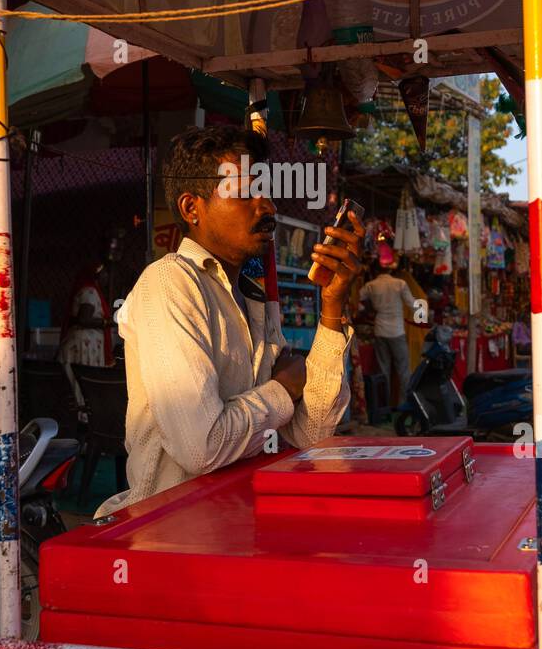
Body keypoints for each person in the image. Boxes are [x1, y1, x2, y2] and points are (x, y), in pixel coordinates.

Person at [94, 125, 362, 516]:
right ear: (191, 208)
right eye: (244, 192)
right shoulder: (170, 282)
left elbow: (313, 431)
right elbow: (202, 447)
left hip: (238, 517)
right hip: (171, 529)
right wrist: (283, 388)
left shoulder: (252, 299)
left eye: (266, 190)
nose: (266, 206)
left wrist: (332, 309)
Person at [358, 254, 417, 398]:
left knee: (383, 371)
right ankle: (405, 404)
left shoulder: (371, 285)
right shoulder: (399, 284)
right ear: (391, 270)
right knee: (403, 370)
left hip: (380, 330)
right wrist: (424, 316)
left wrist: (367, 310)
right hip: (397, 331)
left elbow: (357, 301)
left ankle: (384, 407)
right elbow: (413, 304)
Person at [57, 259, 114, 406]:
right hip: (83, 346)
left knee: (81, 387)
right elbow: (84, 319)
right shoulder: (89, 291)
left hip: (85, 344)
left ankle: (83, 417)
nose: (107, 276)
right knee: (84, 385)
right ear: (97, 275)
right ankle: (83, 418)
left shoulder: (92, 291)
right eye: (104, 273)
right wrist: (108, 322)